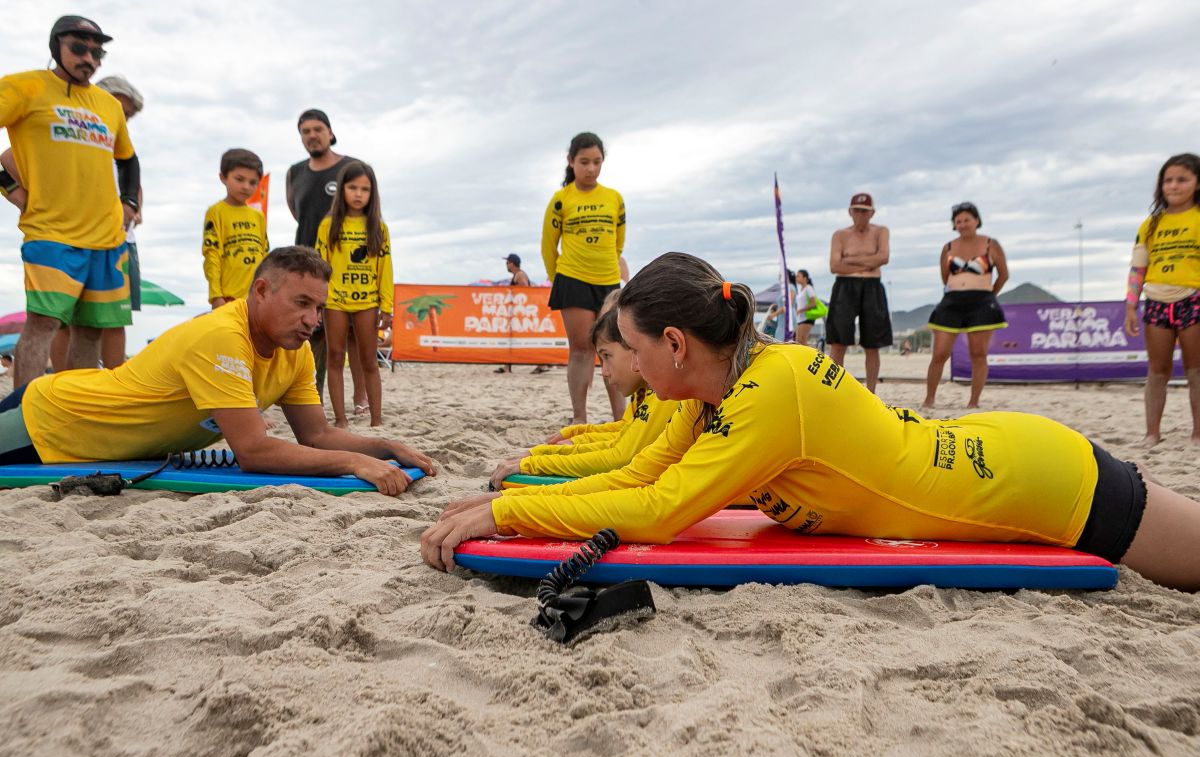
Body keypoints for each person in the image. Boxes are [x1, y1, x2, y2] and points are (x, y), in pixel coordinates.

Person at [422, 252, 1200, 593]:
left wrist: (509, 508)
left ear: (673, 344)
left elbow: (656, 512)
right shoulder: (715, 390)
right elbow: (635, 474)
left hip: (1044, 482)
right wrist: (510, 508)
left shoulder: (770, 392)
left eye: (625, 346)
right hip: (1005, 462)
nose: (620, 363)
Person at [0, 247, 432, 494]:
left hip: (90, 436)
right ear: (260, 290)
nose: (312, 319)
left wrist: (383, 446)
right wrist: (354, 462)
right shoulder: (222, 336)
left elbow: (317, 436)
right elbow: (254, 451)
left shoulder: (295, 348)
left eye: (319, 307)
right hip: (49, 419)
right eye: (302, 303)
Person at [0, 16, 140, 388]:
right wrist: (9, 189)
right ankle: (25, 411)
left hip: (107, 238)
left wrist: (129, 202)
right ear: (55, 46)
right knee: (44, 323)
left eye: (97, 52)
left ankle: (75, 410)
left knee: (91, 330)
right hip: (50, 233)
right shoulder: (24, 86)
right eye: (79, 48)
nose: (89, 58)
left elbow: (128, 159)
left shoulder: (107, 105)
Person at [488, 298, 678, 488]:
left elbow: (622, 457)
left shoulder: (669, 393)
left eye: (607, 356)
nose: (603, 372)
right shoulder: (654, 390)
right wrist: (573, 438)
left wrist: (538, 461)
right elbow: (623, 434)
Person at [541, 132, 626, 423]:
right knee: (580, 350)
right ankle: (580, 417)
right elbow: (547, 245)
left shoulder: (614, 198)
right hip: (572, 279)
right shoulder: (561, 200)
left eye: (597, 162)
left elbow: (618, 242)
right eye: (584, 162)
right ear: (571, 162)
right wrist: (559, 278)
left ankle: (620, 419)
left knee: (613, 349)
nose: (591, 168)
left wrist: (611, 267)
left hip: (607, 281)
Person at [286, 108, 367, 411]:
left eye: (317, 129)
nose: (312, 136)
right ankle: (313, 395)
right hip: (307, 258)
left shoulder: (351, 167)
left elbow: (366, 211)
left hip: (346, 260)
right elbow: (297, 212)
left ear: (330, 132)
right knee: (311, 328)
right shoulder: (295, 172)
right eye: (305, 131)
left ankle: (360, 397)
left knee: (354, 333)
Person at [1124, 153, 1200, 446]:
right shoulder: (1150, 224)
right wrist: (1131, 303)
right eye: (1168, 180)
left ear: (1196, 183)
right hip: (1156, 301)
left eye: (1182, 179)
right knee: (1157, 371)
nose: (1174, 186)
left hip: (1193, 299)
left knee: (1196, 370)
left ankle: (1197, 435)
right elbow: (1138, 267)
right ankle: (1152, 433)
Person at [314, 161, 392, 428]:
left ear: (372, 193)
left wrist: (387, 307)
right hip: (335, 301)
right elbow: (320, 266)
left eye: (365, 189)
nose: (358, 194)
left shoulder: (378, 228)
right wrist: (317, 302)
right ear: (342, 190)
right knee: (335, 357)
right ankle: (340, 419)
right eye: (353, 187)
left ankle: (377, 420)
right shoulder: (327, 226)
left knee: (368, 360)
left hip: (367, 302)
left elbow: (385, 269)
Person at [921, 202, 1009, 410]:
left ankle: (973, 401)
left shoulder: (990, 244)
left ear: (976, 220)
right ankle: (929, 399)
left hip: (982, 301)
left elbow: (1004, 275)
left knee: (978, 354)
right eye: (958, 221)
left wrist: (989, 295)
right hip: (952, 301)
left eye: (967, 220)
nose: (962, 224)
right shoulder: (948, 247)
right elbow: (945, 277)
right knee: (940, 354)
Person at [827, 193, 892, 392]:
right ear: (850, 212)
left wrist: (850, 262)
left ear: (872, 213)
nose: (860, 215)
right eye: (857, 210)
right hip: (845, 287)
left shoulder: (880, 232)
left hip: (872, 287)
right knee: (838, 343)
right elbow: (835, 265)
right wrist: (868, 263)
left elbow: (883, 257)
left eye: (864, 211)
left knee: (872, 345)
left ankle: (871, 391)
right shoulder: (840, 235)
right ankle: (833, 391)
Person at [202, 149, 269, 309]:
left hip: (256, 297)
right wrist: (216, 296)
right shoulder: (216, 212)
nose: (246, 186)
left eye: (253, 182)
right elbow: (212, 255)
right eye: (239, 179)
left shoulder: (258, 216)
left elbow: (265, 256)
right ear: (223, 177)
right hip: (228, 297)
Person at [496, 254, 532, 374]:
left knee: (526, 339)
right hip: (518, 313)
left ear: (512, 263)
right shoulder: (517, 275)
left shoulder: (520, 275)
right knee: (511, 339)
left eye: (507, 263)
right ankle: (507, 365)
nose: (506, 265)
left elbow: (526, 292)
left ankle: (543, 363)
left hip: (522, 313)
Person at [794, 269, 820, 345]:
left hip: (807, 317)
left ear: (805, 278)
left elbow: (814, 303)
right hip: (800, 318)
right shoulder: (801, 289)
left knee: (802, 341)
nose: (796, 278)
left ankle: (815, 355)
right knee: (798, 342)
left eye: (798, 276)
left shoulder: (808, 288)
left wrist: (800, 310)